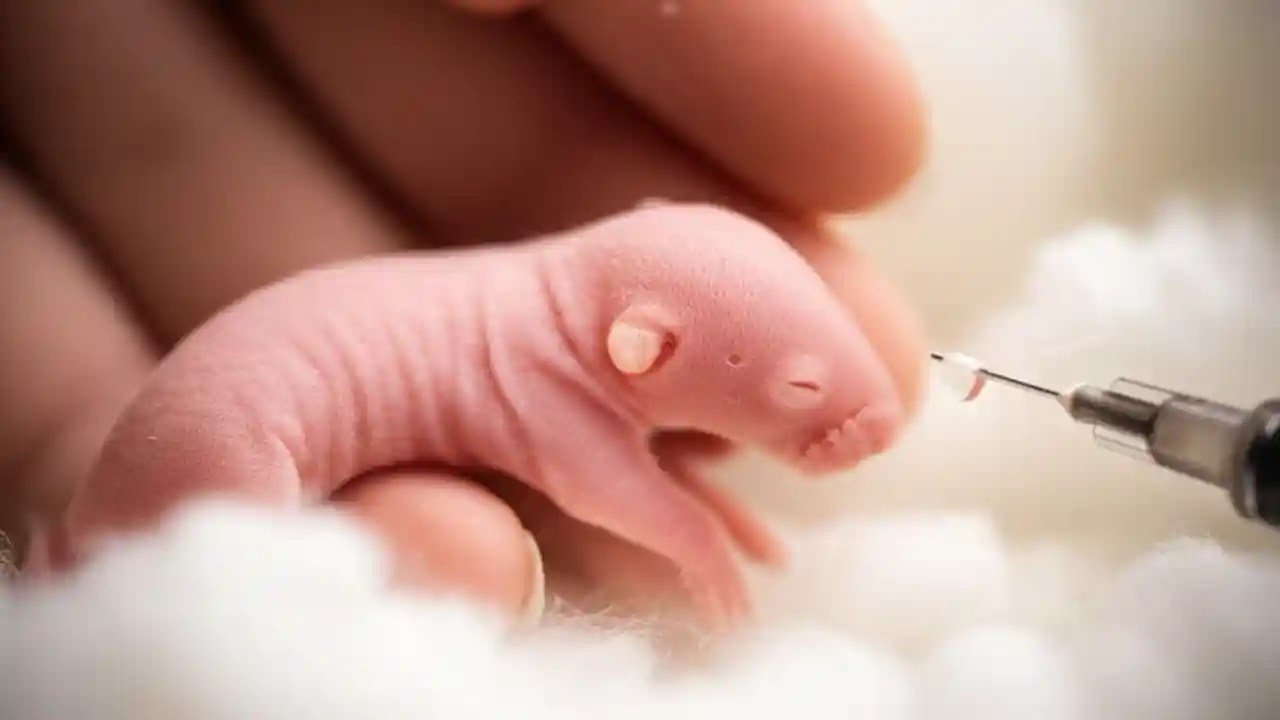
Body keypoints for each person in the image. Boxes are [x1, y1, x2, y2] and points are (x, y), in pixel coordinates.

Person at [0, 0, 928, 621]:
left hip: (204, 422)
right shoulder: (558, 367)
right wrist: (697, 546)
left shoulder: (583, 329)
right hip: (232, 443)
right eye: (801, 382)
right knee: (205, 591)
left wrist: (704, 507)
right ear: (642, 347)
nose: (850, 403)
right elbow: (601, 480)